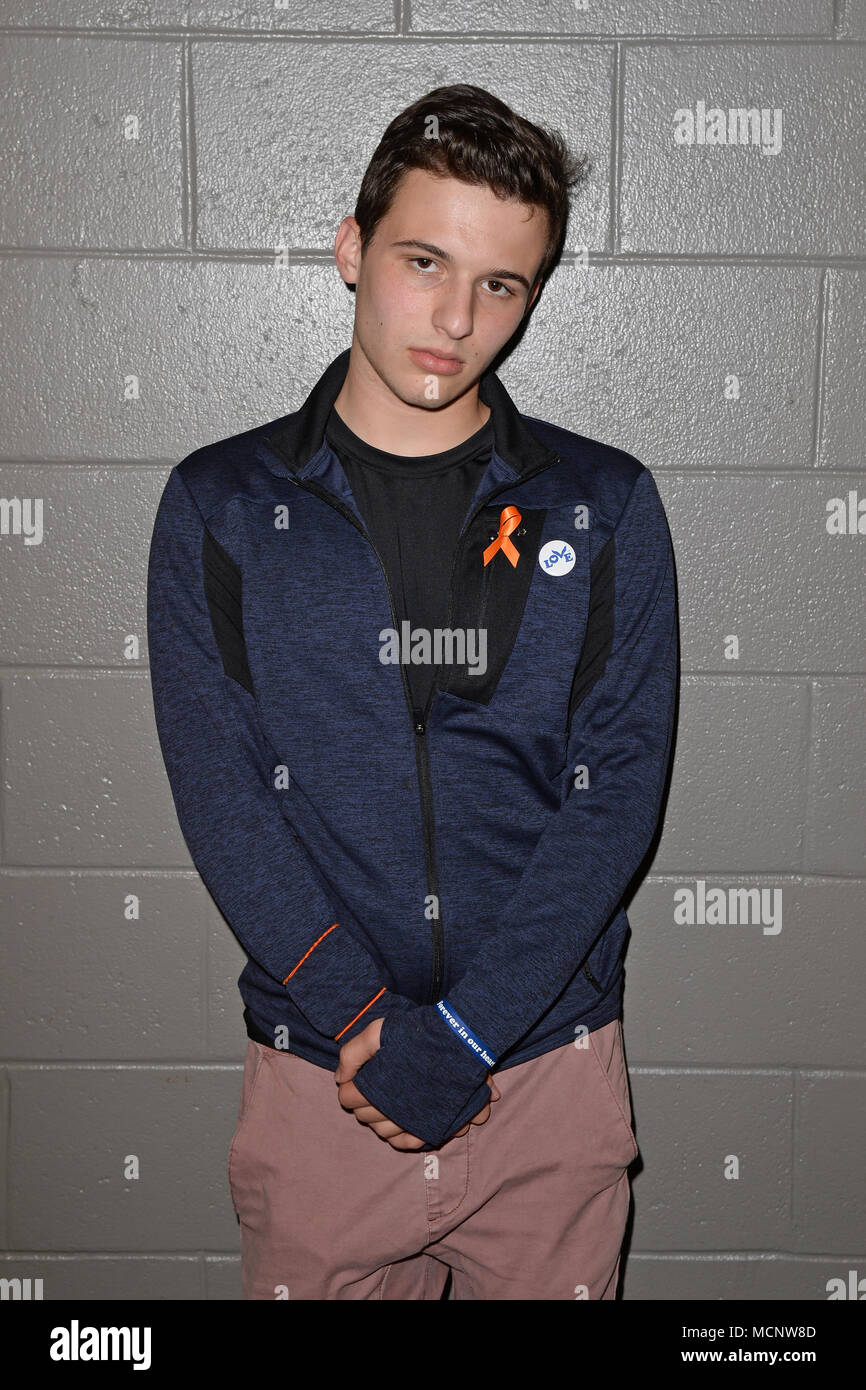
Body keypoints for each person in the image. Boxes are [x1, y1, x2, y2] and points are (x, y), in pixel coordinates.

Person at [146, 83, 679, 1301]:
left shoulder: (601, 506)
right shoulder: (219, 506)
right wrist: (365, 1017)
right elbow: (222, 794)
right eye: (423, 261)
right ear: (350, 248)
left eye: (501, 285)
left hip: (545, 1071)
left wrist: (472, 1030)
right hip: (324, 1072)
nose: (455, 317)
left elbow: (614, 796)